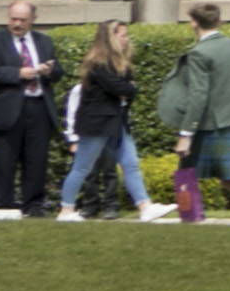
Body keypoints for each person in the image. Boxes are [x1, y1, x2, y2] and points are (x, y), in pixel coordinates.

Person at [161, 1, 230, 223]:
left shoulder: (199, 53)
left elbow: (198, 95)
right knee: (225, 176)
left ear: (193, 23)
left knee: (188, 169)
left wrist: (186, 134)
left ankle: (190, 216)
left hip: (211, 123)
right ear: (219, 21)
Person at [58, 20, 165, 222]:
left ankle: (145, 206)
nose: (126, 40)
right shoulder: (98, 64)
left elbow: (125, 90)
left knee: (130, 163)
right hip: (97, 124)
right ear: (110, 38)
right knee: (82, 167)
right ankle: (66, 209)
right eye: (122, 35)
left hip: (116, 123)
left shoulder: (120, 64)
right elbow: (121, 88)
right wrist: (129, 88)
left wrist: (127, 89)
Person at [0, 0, 64, 217]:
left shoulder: (44, 41)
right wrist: (18, 73)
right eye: (13, 18)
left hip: (39, 106)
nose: (17, 24)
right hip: (7, 108)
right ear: (7, 17)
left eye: (22, 20)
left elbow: (58, 71)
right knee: (4, 159)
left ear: (33, 19)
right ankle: (2, 205)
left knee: (36, 160)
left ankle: (33, 206)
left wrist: (50, 70)